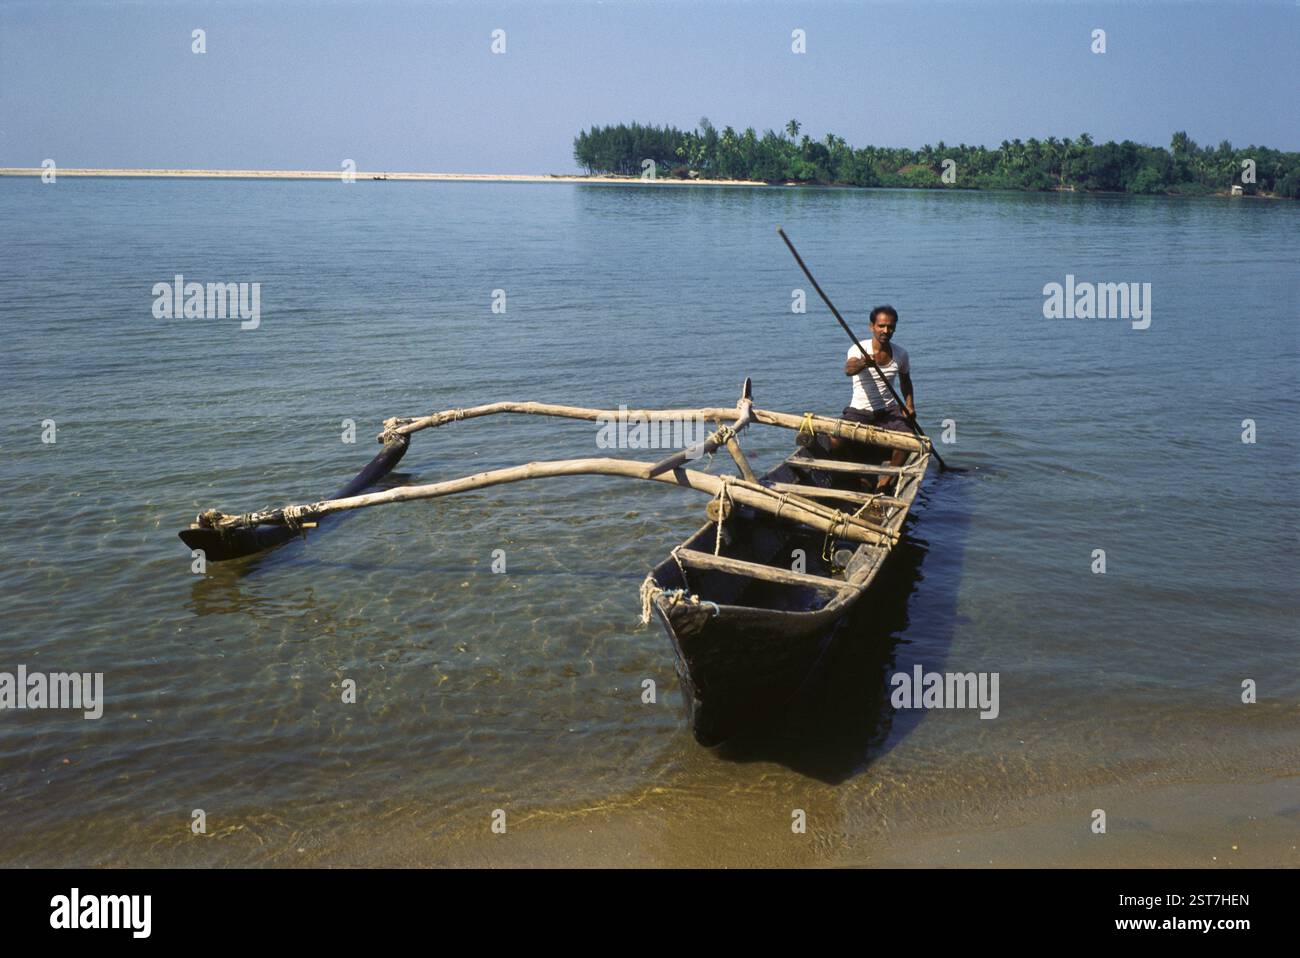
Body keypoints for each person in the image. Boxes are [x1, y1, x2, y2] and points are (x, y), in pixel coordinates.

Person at [830, 305, 915, 491]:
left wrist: (909, 406)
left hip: (888, 412)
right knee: (834, 440)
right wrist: (864, 363)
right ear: (872, 327)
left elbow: (906, 382)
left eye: (890, 327)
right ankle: (858, 473)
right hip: (859, 411)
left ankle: (886, 480)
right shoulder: (858, 349)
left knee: (908, 440)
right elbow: (848, 369)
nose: (886, 331)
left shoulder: (901, 354)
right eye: (881, 326)